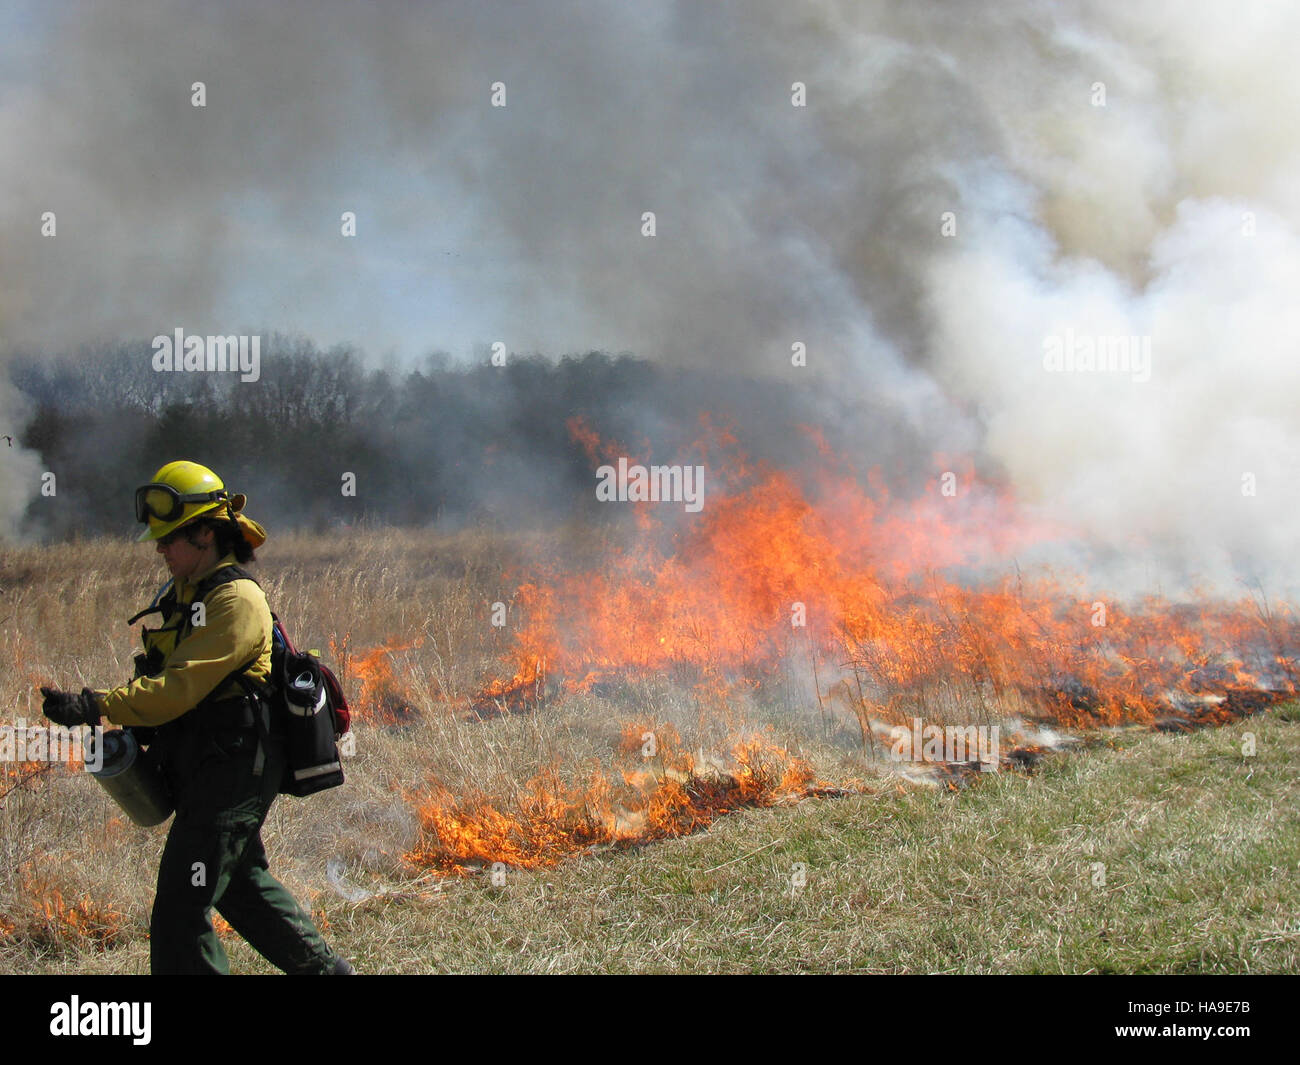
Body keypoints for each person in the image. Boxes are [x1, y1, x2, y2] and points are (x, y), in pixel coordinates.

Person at [41, 460, 354, 975]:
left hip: (236, 765)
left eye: (169, 538)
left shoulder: (236, 599)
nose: (159, 548)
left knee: (181, 910)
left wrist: (96, 704)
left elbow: (177, 689)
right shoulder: (190, 591)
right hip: (207, 761)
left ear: (206, 533)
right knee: (240, 885)